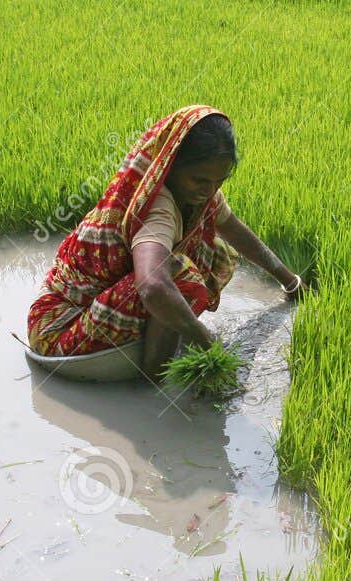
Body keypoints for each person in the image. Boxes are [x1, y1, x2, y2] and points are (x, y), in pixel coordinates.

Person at [27, 104, 304, 381]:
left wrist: (290, 281)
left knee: (209, 253)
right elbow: (153, 286)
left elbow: (235, 231)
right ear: (170, 164)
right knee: (176, 270)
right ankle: (152, 379)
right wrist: (206, 342)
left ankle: (158, 349)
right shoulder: (156, 208)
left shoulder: (197, 195)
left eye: (218, 181)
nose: (209, 191)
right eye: (200, 180)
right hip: (59, 331)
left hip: (94, 309)